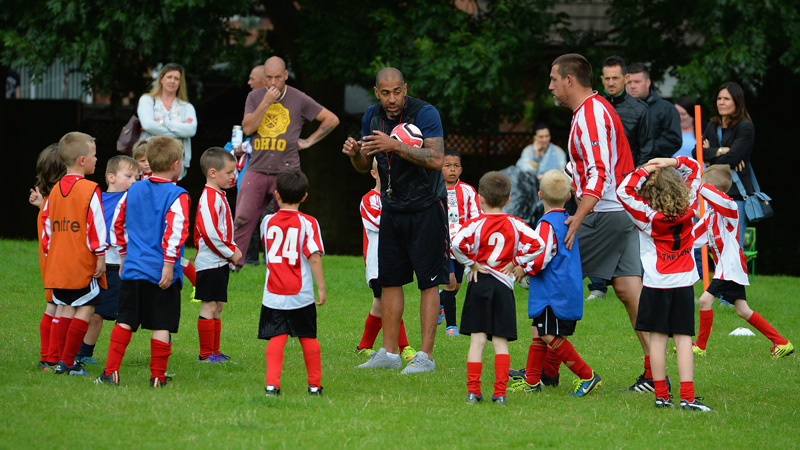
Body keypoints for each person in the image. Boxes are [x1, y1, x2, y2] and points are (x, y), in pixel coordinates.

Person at [548, 53, 654, 392]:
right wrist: (560, 182)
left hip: (605, 213)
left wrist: (577, 218)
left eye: (553, 79)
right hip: (620, 211)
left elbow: (599, 172)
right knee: (629, 291)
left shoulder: (591, 114)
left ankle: (544, 372)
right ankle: (656, 374)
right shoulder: (591, 110)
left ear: (569, 80)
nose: (550, 86)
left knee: (552, 277)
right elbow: (587, 166)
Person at [344, 67, 449, 374]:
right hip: (391, 207)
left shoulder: (426, 113)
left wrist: (397, 146)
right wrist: (355, 154)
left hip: (427, 207)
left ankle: (426, 356)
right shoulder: (371, 116)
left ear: (406, 89)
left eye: (397, 92)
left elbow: (437, 159)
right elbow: (364, 164)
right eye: (385, 93)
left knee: (429, 282)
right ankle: (390, 353)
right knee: (389, 280)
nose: (392, 99)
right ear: (377, 93)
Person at [617, 155, 711, 411]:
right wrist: (670, 162)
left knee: (657, 340)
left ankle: (661, 396)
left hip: (656, 284)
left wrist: (644, 169)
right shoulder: (689, 204)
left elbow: (623, 190)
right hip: (683, 282)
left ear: (648, 192)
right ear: (678, 186)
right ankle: (688, 397)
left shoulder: (646, 216)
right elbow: (695, 167)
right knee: (683, 340)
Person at [96, 136, 190, 387]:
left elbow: (116, 225)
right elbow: (176, 232)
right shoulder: (178, 194)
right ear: (176, 165)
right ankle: (157, 377)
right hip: (162, 273)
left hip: (133, 269)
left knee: (125, 320)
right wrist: (168, 265)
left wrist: (124, 257)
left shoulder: (133, 189)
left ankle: (110, 372)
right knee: (161, 324)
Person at [233, 56, 339, 270]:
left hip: (287, 171)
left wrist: (308, 141)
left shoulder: (298, 98)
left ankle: (281, 265)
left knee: (286, 222)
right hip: (256, 167)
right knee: (242, 218)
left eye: (277, 78)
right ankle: (234, 264)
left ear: (286, 76)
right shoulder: (255, 97)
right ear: (264, 77)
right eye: (269, 78)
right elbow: (248, 128)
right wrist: (266, 102)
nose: (273, 82)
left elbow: (332, 119)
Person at [507, 169, 602, 397]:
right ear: (568, 196)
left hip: (554, 293)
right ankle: (533, 381)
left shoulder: (546, 224)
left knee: (549, 335)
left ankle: (587, 375)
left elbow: (542, 255)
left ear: (539, 195)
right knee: (538, 332)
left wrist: (523, 268)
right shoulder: (569, 220)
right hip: (563, 289)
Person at [452, 171, 544, 405]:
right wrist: (516, 262)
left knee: (477, 341)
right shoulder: (515, 223)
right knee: (500, 343)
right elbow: (538, 244)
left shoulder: (475, 223)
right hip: (503, 286)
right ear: (508, 200)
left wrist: (471, 263)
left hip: (479, 283)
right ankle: (500, 393)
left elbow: (456, 244)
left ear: (480, 198)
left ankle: (473, 392)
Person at [693, 164, 793, 358]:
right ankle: (782, 343)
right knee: (743, 310)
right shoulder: (711, 215)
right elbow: (693, 236)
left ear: (713, 189)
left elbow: (715, 196)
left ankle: (700, 347)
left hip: (730, 267)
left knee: (704, 301)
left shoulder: (730, 206)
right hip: (727, 268)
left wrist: (698, 184)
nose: (701, 192)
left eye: (705, 187)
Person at [41, 132, 107, 376]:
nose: (96, 159)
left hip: (59, 262)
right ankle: (69, 362)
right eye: (94, 155)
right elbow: (96, 225)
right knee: (86, 308)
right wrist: (100, 255)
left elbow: (47, 225)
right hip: (82, 262)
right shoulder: (90, 189)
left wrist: (51, 252)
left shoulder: (55, 190)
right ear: (82, 160)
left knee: (65, 307)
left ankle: (58, 360)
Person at [259, 169, 326, 396]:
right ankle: (314, 385)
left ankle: (272, 384)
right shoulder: (308, 223)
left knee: (276, 339)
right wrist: (321, 287)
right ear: (304, 196)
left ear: (277, 195)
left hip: (273, 294)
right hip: (301, 294)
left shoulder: (267, 222)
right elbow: (314, 257)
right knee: (308, 338)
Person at [75, 156, 140, 366]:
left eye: (137, 177)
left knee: (99, 313)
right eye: (129, 176)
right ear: (111, 177)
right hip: (91, 263)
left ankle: (84, 353)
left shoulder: (133, 200)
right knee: (83, 309)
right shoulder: (96, 198)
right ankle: (73, 351)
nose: (134, 181)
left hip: (116, 265)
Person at [355, 159, 416, 362]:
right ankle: (404, 347)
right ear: (374, 174)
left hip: (395, 258)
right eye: (384, 173)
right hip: (377, 261)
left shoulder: (397, 197)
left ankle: (364, 346)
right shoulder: (369, 200)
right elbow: (378, 222)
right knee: (388, 303)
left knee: (380, 304)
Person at [194, 148, 243, 363]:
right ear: (213, 173)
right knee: (209, 305)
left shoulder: (218, 195)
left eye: (234, 172)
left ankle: (215, 352)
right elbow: (209, 232)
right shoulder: (209, 197)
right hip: (209, 262)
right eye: (229, 172)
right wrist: (231, 251)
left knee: (218, 306)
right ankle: (205, 355)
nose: (234, 176)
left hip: (219, 261)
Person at [692, 82, 754, 247]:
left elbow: (732, 159)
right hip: (712, 193)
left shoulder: (745, 127)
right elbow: (696, 152)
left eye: (726, 99)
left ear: (737, 102)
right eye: (719, 98)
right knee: (714, 244)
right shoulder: (713, 125)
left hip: (735, 194)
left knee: (734, 245)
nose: (721, 102)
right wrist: (721, 151)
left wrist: (709, 158)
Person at [29, 144, 66, 370]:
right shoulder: (56, 200)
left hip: (50, 263)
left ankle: (47, 357)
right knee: (58, 308)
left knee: (52, 306)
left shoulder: (49, 199)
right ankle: (53, 358)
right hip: (57, 262)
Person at [440, 148, 480, 336]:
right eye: (447, 165)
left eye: (456, 166)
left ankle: (439, 303)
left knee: (456, 285)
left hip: (461, 245)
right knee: (449, 282)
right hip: (441, 244)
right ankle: (451, 327)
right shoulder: (434, 189)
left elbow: (476, 217)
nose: (452, 169)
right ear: (439, 167)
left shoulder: (468, 190)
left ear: (461, 170)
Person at [137, 63, 197, 181]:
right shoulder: (147, 100)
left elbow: (191, 130)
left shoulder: (186, 107)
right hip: (149, 159)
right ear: (161, 78)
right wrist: (180, 131)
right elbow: (148, 125)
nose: (172, 81)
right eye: (169, 77)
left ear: (180, 82)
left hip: (174, 162)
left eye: (176, 78)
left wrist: (164, 123)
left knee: (171, 192)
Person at [626, 62, 682, 163]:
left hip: (656, 166)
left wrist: (644, 149)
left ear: (648, 83)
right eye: (629, 82)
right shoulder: (616, 108)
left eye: (637, 82)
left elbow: (673, 141)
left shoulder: (666, 108)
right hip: (624, 167)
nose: (632, 86)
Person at [600, 56, 650, 165]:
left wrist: (637, 173)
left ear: (626, 78)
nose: (611, 83)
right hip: (600, 171)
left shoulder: (639, 109)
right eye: (607, 79)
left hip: (629, 171)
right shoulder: (595, 107)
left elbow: (646, 150)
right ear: (602, 79)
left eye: (615, 78)